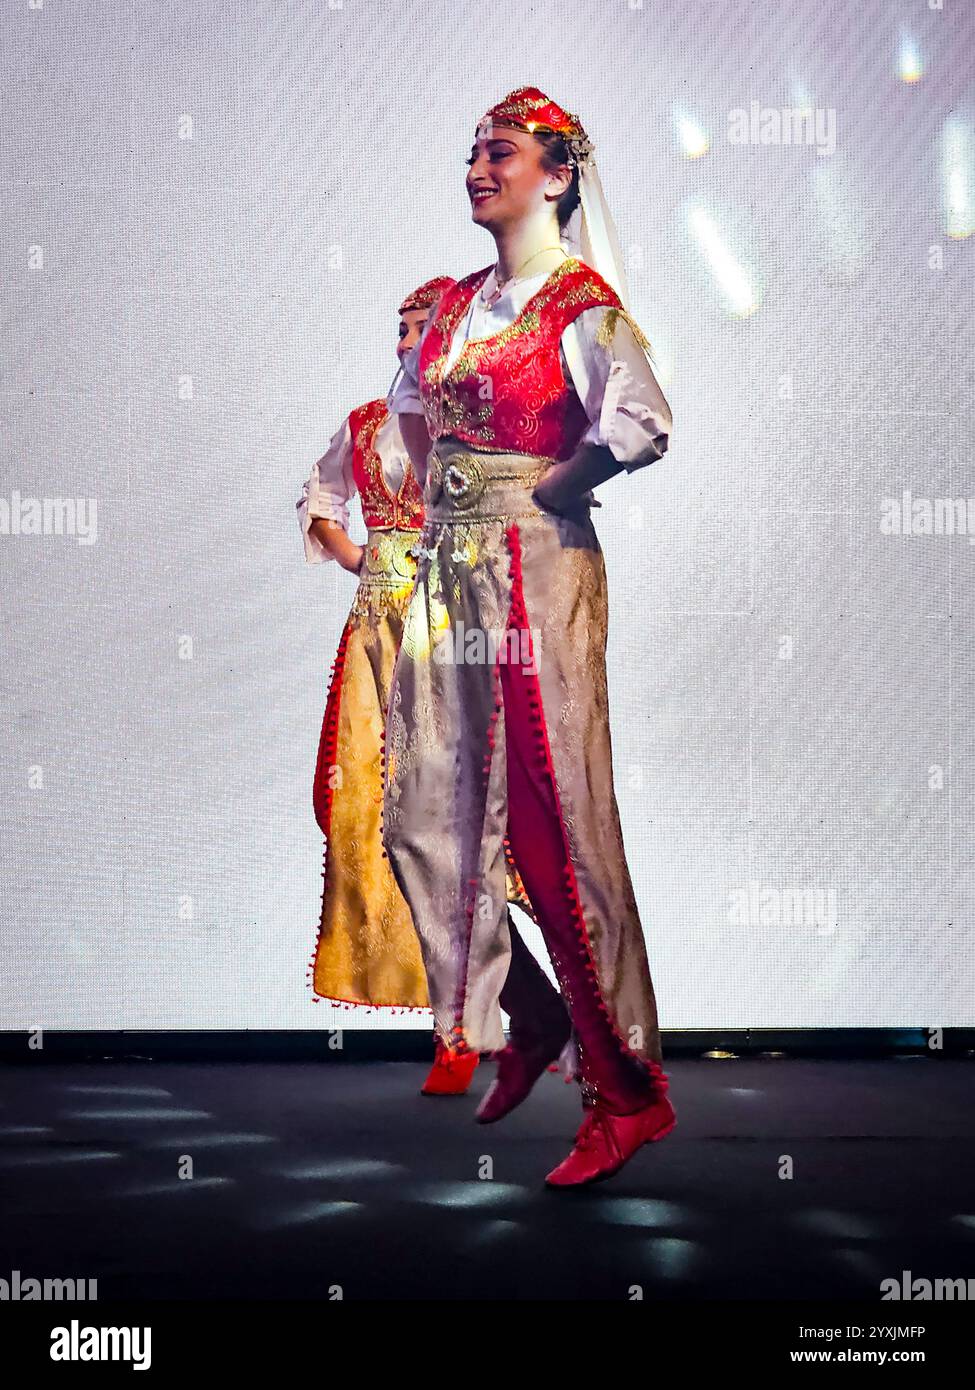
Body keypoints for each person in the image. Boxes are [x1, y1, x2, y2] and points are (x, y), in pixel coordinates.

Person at [383, 88, 676, 1185]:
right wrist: (444, 494)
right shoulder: (457, 302)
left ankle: (627, 1090)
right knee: (421, 815)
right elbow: (410, 409)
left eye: (497, 152)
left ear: (555, 175)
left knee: (551, 825)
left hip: (533, 574)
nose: (474, 167)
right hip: (455, 576)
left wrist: (552, 482)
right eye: (469, 151)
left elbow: (641, 421)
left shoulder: (577, 301)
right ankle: (536, 1018)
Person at [297, 275, 483, 1095]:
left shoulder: (474, 427)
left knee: (465, 816)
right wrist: (366, 561)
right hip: (379, 631)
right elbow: (322, 496)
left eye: (422, 325)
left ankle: (493, 1017)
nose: (405, 338)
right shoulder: (368, 424)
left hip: (451, 634)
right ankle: (450, 1026)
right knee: (371, 811)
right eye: (400, 324)